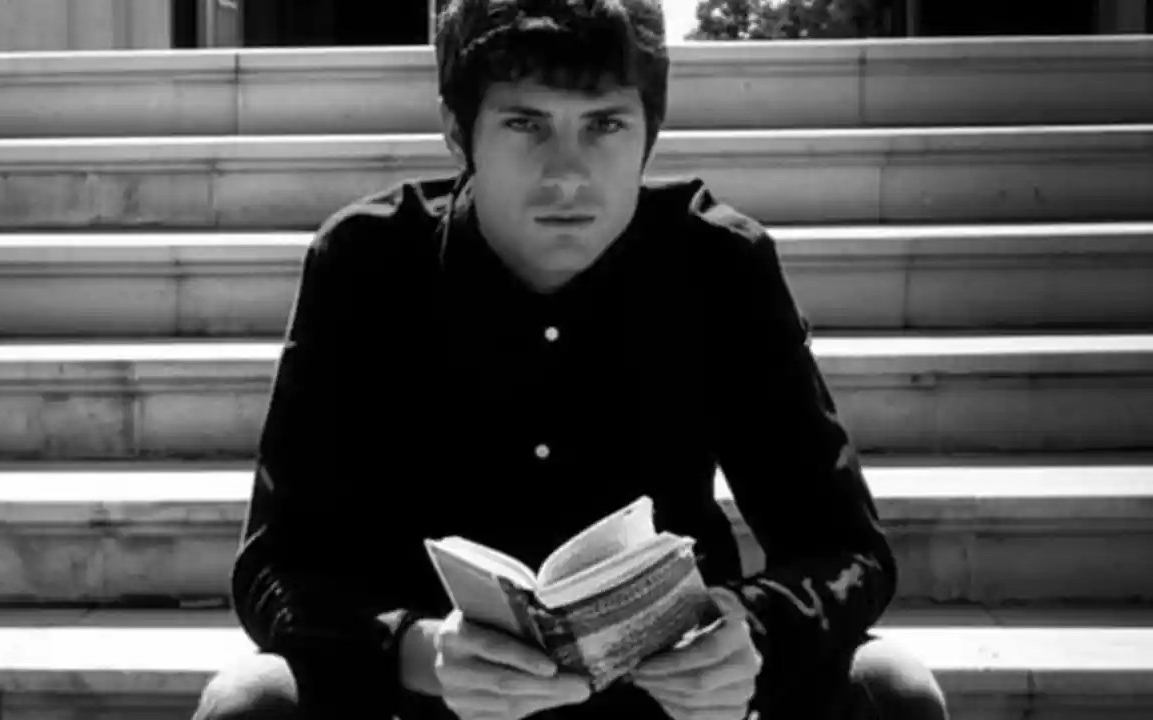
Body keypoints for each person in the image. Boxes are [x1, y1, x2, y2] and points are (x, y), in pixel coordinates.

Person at [192, 1, 951, 718]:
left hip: (669, 697)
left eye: (604, 125)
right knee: (250, 701)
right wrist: (415, 651)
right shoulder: (366, 261)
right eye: (526, 124)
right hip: (440, 699)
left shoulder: (719, 262)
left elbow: (846, 547)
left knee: (891, 688)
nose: (568, 175)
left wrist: (750, 632)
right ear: (459, 132)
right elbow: (276, 565)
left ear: (651, 129)